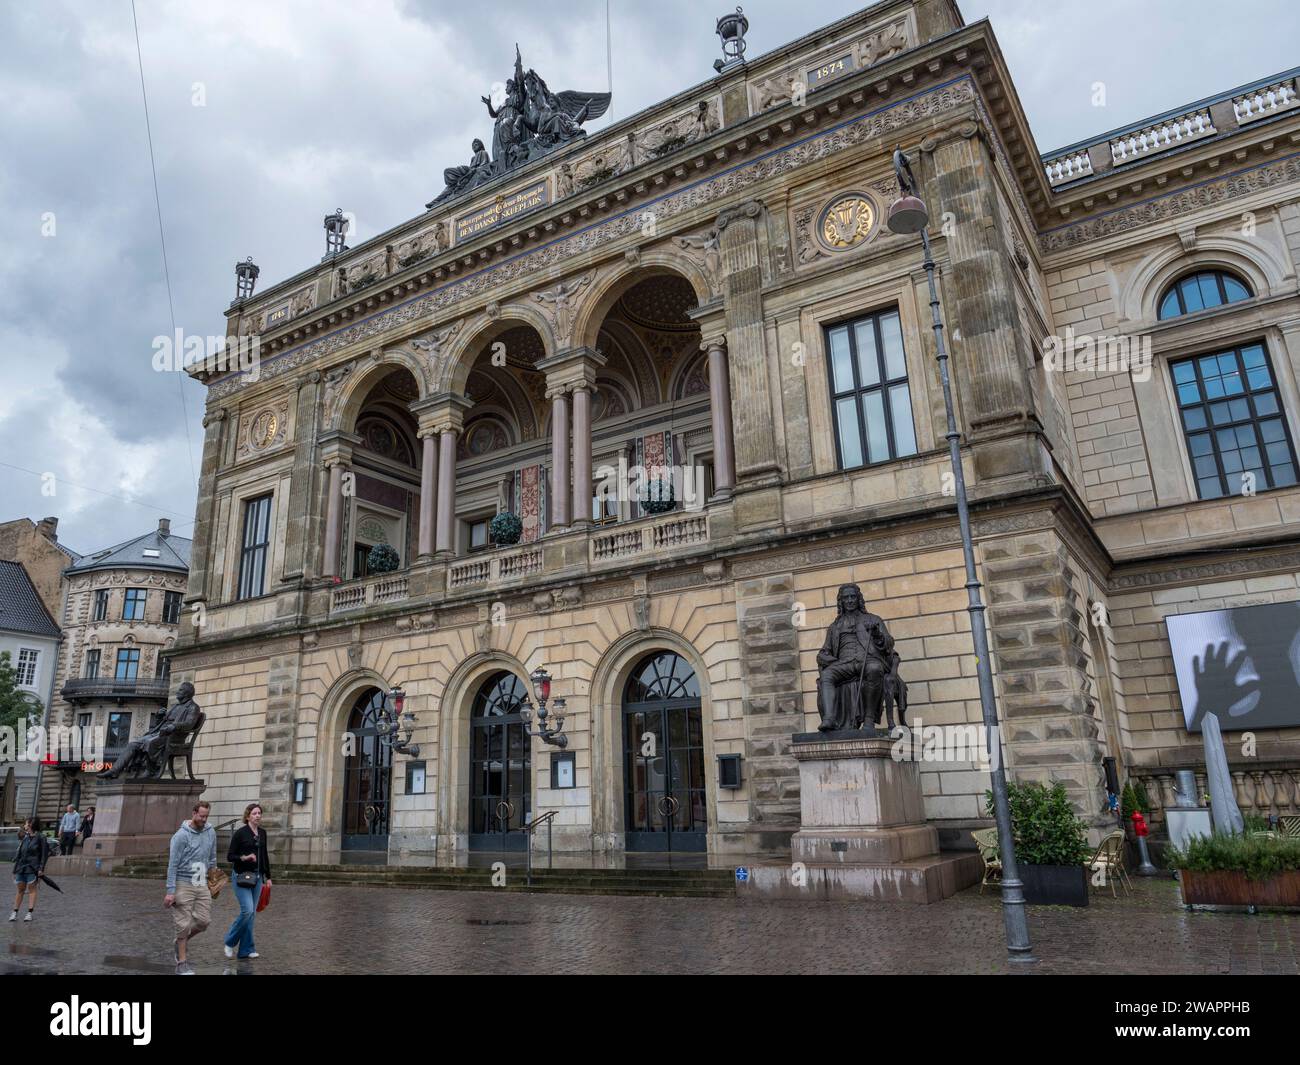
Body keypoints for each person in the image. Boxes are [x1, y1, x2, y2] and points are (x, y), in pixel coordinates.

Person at [164, 800, 216, 975]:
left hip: (201, 882)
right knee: (183, 924)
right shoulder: (180, 836)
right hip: (183, 883)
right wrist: (171, 891)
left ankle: (180, 940)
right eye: (202, 816)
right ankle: (182, 963)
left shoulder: (210, 831)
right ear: (194, 813)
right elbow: (172, 865)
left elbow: (213, 857)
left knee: (204, 921)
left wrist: (213, 879)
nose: (204, 819)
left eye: (207, 816)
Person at [224, 802, 273, 961]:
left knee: (251, 915)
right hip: (241, 876)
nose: (257, 816)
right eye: (254, 813)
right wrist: (244, 857)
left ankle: (246, 950)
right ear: (247, 816)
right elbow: (230, 856)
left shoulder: (263, 833)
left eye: (259, 813)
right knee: (248, 911)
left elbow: (264, 855)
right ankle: (230, 941)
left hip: (257, 878)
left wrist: (268, 877)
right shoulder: (240, 833)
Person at [10, 818, 49, 922]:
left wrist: (41, 868)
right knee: (20, 890)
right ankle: (15, 912)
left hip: (33, 868)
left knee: (32, 890)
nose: (25, 825)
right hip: (21, 868)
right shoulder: (25, 837)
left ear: (31, 825)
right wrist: (15, 869)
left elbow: (44, 855)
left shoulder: (41, 837)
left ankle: (29, 913)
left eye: (26, 823)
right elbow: (19, 854)